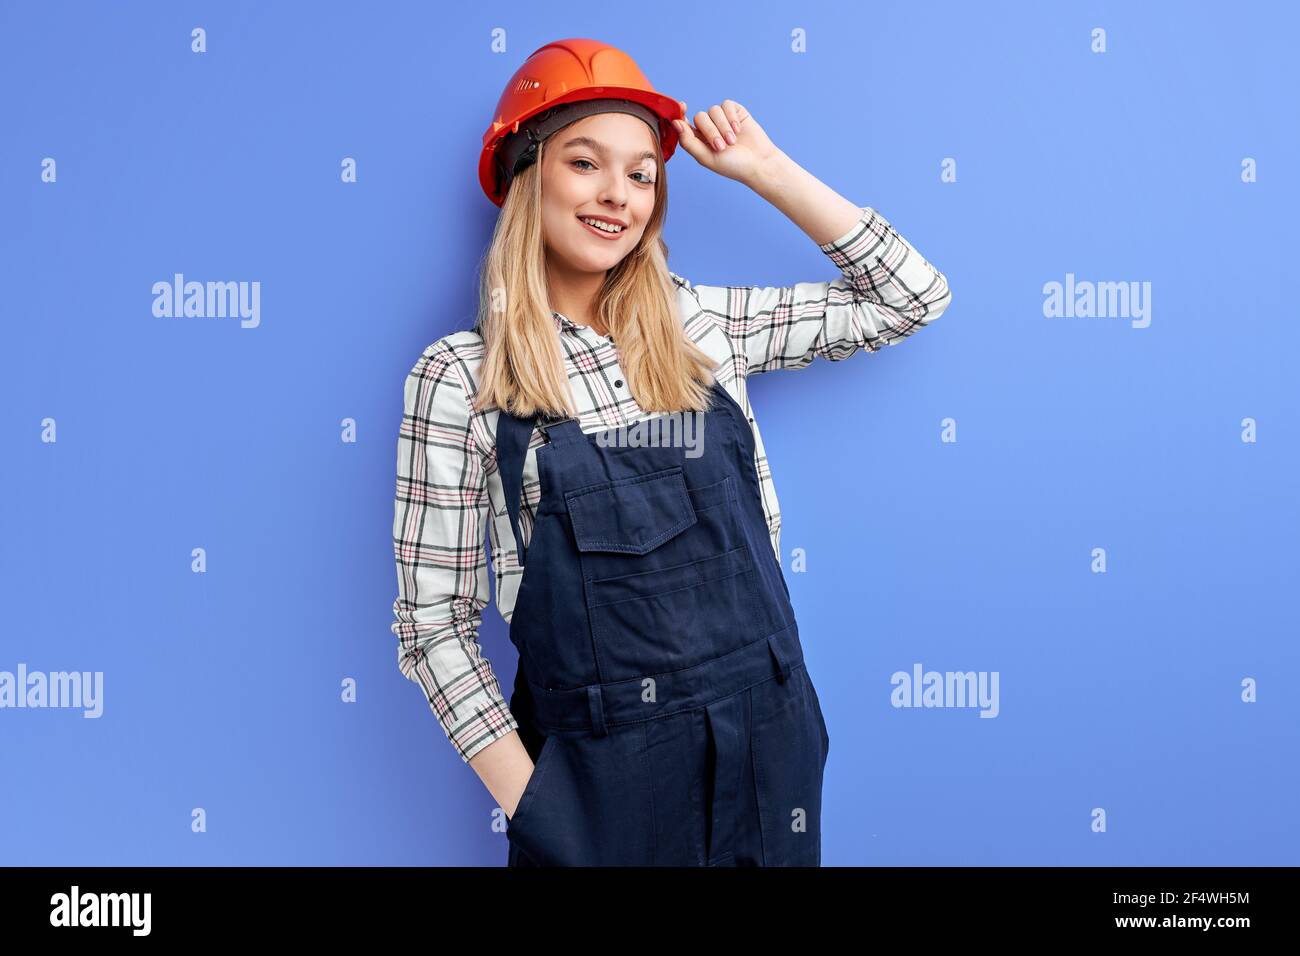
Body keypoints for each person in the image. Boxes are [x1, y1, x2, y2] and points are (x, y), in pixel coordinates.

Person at [391, 37, 952, 866]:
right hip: (600, 790)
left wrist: (766, 170)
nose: (617, 195)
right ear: (524, 175)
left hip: (769, 752)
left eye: (642, 174)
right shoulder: (460, 378)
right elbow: (431, 626)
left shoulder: (702, 328)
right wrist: (542, 808)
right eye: (586, 163)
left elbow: (910, 297)